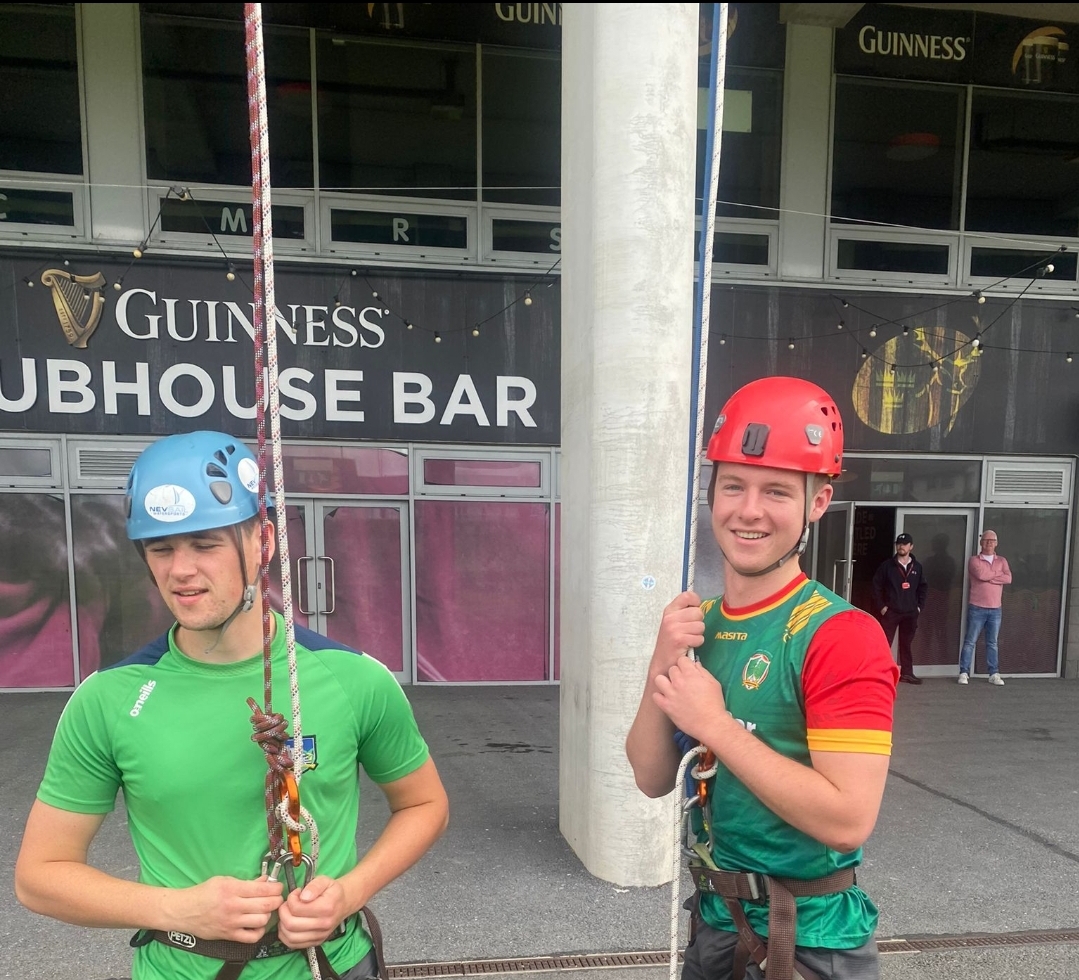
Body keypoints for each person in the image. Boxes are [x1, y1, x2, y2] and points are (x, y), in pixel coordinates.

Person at [15, 431, 449, 980]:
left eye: (205, 543)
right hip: (181, 968)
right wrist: (177, 908)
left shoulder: (353, 678)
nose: (181, 571)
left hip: (331, 965)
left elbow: (423, 804)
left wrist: (350, 892)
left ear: (263, 542)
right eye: (161, 548)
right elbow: (40, 875)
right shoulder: (108, 699)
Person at [626, 377, 898, 980]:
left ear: (818, 502)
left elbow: (848, 817)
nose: (748, 510)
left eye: (776, 490)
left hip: (808, 942)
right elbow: (649, 777)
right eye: (733, 487)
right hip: (716, 926)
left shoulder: (839, 635)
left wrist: (716, 727)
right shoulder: (705, 625)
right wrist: (659, 662)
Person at [872, 532, 928, 685]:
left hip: (910, 612)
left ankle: (907, 674)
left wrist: (918, 607)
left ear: (911, 547)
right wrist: (882, 607)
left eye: (904, 544)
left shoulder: (917, 567)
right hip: (891, 611)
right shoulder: (887, 566)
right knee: (884, 643)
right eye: (898, 544)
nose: (901, 546)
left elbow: (923, 588)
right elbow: (876, 586)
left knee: (906, 644)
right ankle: (879, 674)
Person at [958, 529, 1012, 686]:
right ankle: (964, 672)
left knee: (992, 643)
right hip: (977, 607)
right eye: (987, 540)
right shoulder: (974, 560)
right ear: (981, 542)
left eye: (992, 540)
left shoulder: (1002, 560)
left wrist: (991, 576)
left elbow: (1008, 578)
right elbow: (981, 576)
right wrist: (997, 575)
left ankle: (993, 673)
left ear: (997, 543)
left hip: (996, 609)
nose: (989, 543)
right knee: (970, 641)